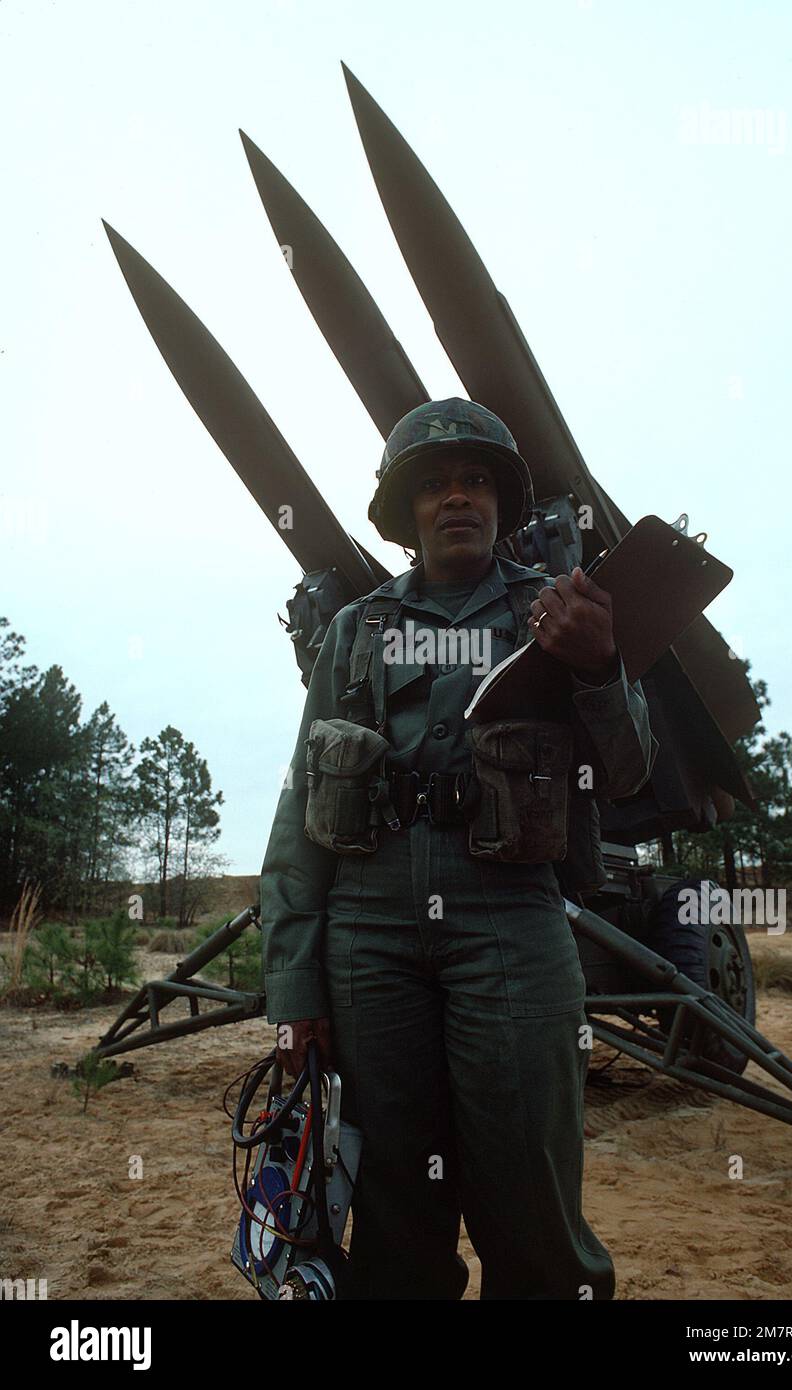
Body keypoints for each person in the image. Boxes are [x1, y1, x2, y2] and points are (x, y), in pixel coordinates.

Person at [259, 398, 657, 1300]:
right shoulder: (356, 630)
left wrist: (598, 667)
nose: (456, 498)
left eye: (475, 479)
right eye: (433, 485)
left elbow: (630, 771)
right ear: (406, 513)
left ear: (502, 502)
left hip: (510, 920)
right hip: (369, 935)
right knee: (395, 1206)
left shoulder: (560, 613)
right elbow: (297, 809)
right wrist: (293, 982)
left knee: (533, 1199)